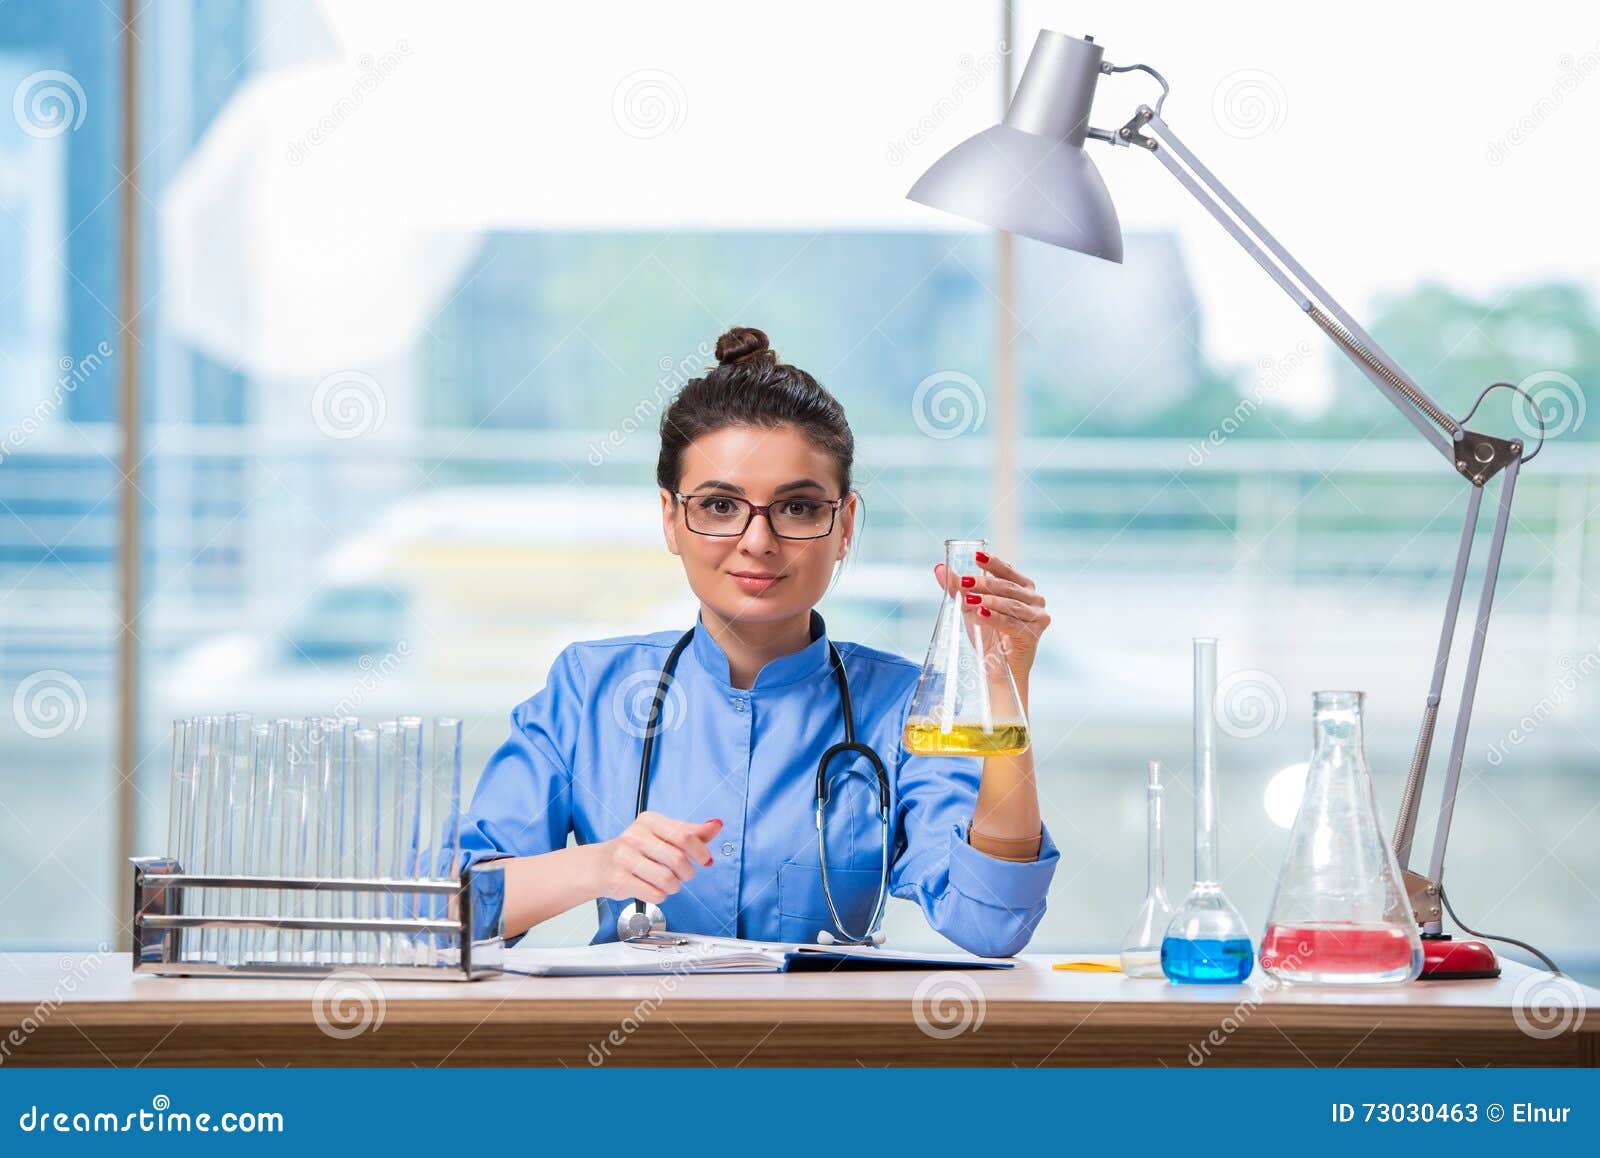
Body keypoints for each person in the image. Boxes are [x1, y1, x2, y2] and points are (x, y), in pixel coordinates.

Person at [459, 326, 1057, 956]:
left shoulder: (904, 705)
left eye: (797, 508)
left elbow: (991, 922)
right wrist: (598, 868)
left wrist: (1004, 683)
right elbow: (453, 912)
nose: (758, 541)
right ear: (671, 517)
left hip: (828, 1052)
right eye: (720, 505)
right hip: (633, 1051)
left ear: (845, 524)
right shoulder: (588, 689)